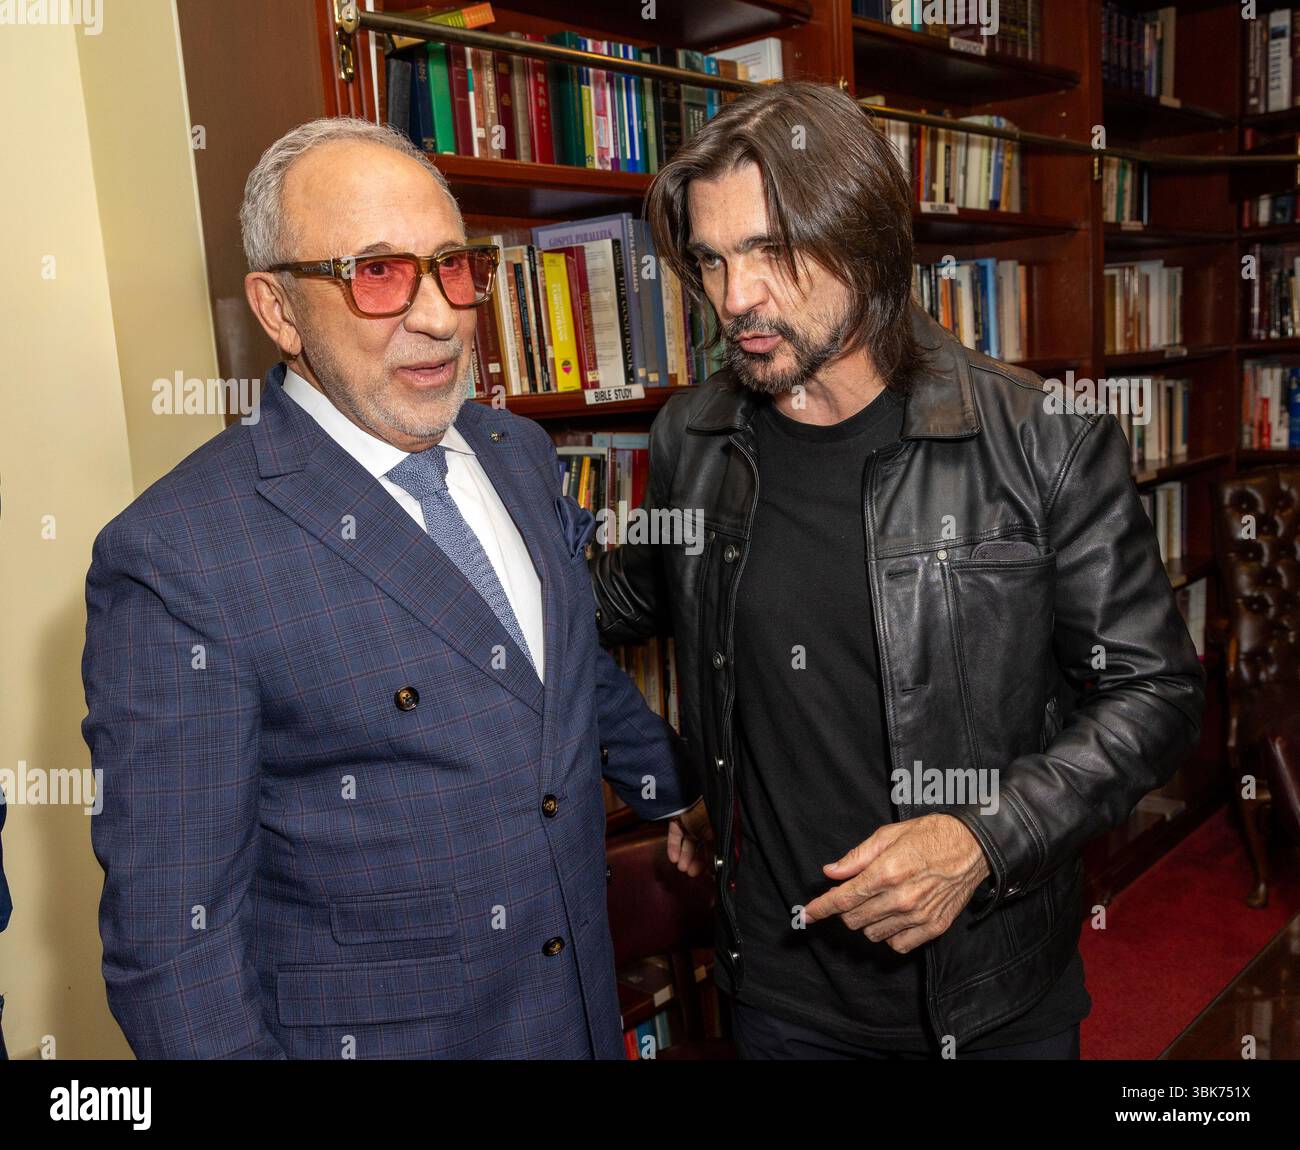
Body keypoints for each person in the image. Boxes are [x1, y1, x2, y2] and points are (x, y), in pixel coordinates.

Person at [594, 81, 1206, 1060]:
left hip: (987, 993)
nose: (733, 296)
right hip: (779, 994)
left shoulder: (1039, 440)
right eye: (710, 259)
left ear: (868, 239)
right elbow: (637, 596)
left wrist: (982, 837)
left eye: (772, 251)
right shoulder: (692, 437)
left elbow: (1157, 694)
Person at [81, 117, 700, 1060]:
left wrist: (675, 793)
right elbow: (174, 950)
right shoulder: (180, 557)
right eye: (378, 273)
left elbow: (560, 676)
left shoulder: (518, 452)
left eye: (452, 265)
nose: (441, 316)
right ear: (279, 310)